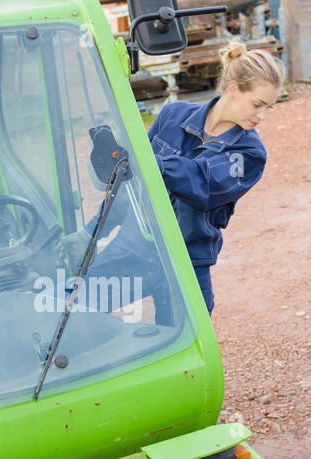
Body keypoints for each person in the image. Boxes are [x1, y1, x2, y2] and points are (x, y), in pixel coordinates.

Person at [84, 39, 284, 317]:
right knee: (73, 308)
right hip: (133, 249)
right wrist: (90, 234)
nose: (262, 116)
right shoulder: (172, 115)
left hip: (186, 262)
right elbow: (129, 186)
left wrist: (150, 163)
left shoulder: (249, 153)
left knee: (191, 353)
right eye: (258, 104)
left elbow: (203, 182)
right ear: (234, 89)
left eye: (268, 108)